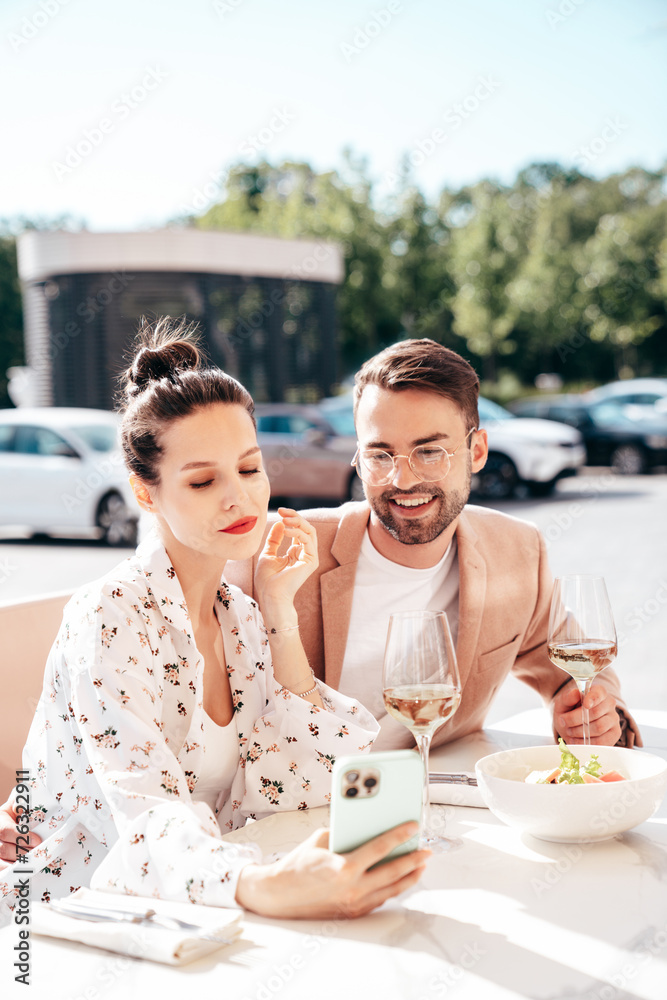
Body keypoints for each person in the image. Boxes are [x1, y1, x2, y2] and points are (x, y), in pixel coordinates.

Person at [0, 319, 429, 921]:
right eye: (203, 480)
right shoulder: (110, 615)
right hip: (76, 919)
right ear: (145, 494)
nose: (239, 497)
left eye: (249, 469)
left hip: (208, 909)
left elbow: (302, 778)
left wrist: (279, 611)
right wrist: (264, 885)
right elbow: (143, 820)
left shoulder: (243, 617)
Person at [225, 338, 640, 752]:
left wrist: (594, 713)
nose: (403, 480)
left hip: (441, 786)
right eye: (381, 455)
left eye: (429, 452)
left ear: (477, 451)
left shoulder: (515, 550)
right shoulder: (274, 554)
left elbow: (575, 667)